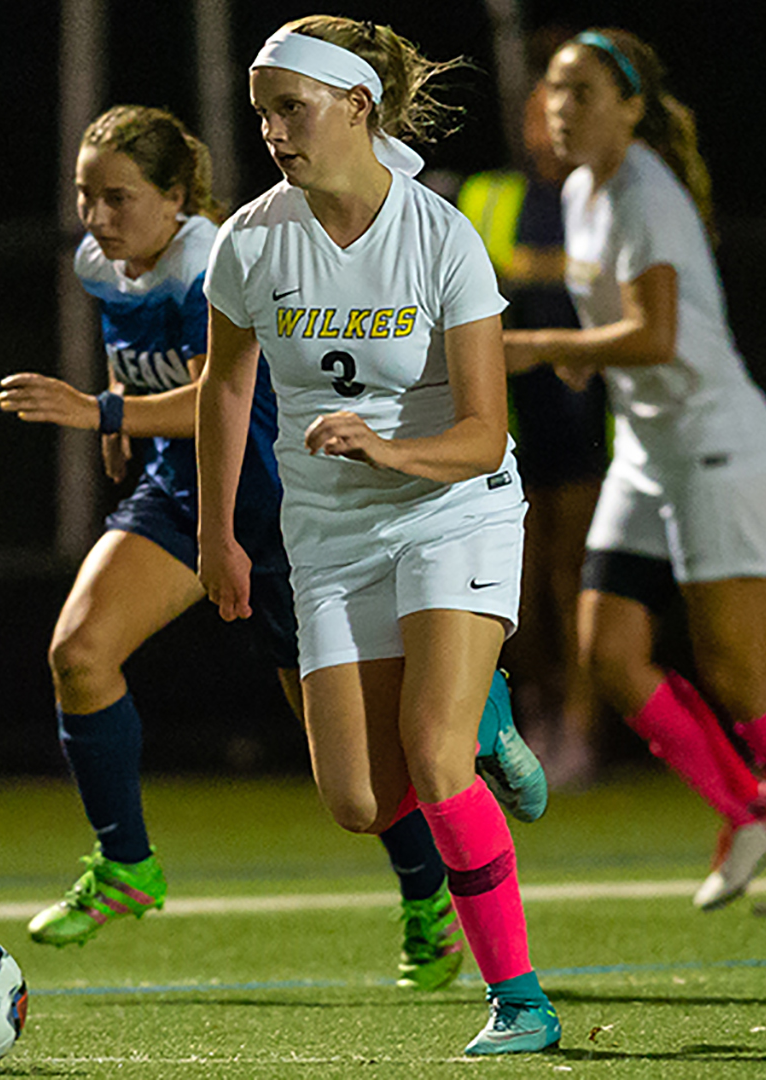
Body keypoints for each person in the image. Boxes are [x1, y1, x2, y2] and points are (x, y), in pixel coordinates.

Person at [0, 104, 543, 993]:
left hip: (284, 505)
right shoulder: (102, 263)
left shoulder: (215, 256)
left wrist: (104, 411)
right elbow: (149, 361)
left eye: (118, 197)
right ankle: (126, 863)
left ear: (177, 197)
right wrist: (122, 416)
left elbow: (225, 392)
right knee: (79, 654)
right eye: (85, 196)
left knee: (366, 780)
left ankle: (429, 887)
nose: (97, 217)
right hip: (184, 496)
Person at [195, 16, 561, 1055]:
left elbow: (483, 431)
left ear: (357, 106)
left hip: (454, 505)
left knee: (435, 761)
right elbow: (224, 387)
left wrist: (390, 451)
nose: (272, 131)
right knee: (362, 801)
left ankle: (521, 1001)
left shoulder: (441, 237)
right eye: (262, 113)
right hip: (328, 533)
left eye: (291, 108)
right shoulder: (251, 240)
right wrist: (218, 535)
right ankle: (485, 713)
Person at [502, 27, 766, 916]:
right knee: (610, 653)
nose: (561, 106)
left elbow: (658, 336)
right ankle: (750, 811)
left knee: (737, 667)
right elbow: (633, 333)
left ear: (632, 107)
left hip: (719, 449)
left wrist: (551, 345)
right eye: (554, 88)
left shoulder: (645, 191)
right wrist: (587, 355)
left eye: (583, 91)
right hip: (651, 451)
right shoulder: (583, 189)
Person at [456, 25, 610, 790]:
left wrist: (534, 271)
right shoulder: (489, 195)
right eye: (541, 106)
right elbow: (470, 281)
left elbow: (606, 282)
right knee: (510, 586)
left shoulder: (603, 197)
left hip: (581, 411)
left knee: (571, 574)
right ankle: (525, 716)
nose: (551, 122)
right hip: (505, 416)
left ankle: (578, 727)